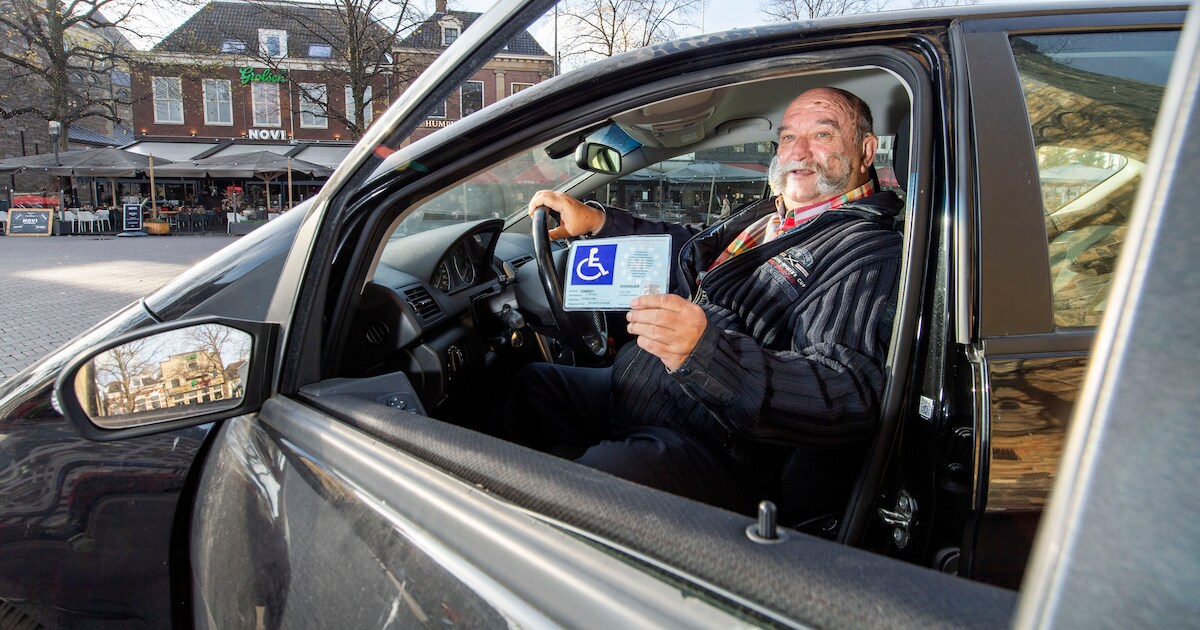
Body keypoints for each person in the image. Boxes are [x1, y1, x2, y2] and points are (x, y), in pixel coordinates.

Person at [507, 87, 904, 518]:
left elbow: (846, 393)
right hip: (648, 392)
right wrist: (601, 222)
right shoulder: (774, 215)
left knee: (587, 490)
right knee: (529, 386)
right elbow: (692, 247)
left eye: (822, 135)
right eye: (789, 137)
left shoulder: (867, 251)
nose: (798, 152)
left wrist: (705, 351)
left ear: (866, 151)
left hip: (714, 445)